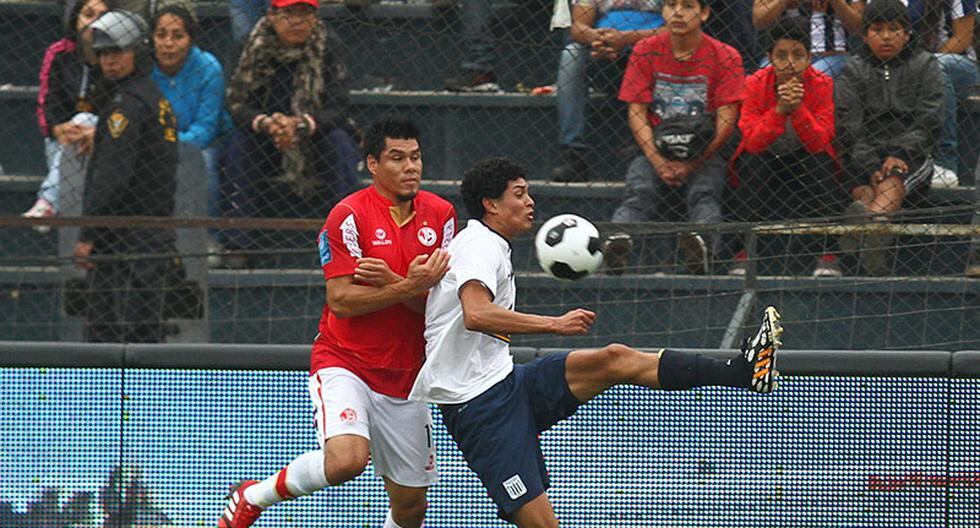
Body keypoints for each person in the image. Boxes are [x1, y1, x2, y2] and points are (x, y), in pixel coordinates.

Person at [409, 157, 782, 527]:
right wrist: (554, 324)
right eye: (519, 194)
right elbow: (477, 314)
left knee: (614, 359)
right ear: (491, 204)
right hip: (478, 406)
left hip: (507, 381)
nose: (530, 202)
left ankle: (743, 371)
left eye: (528, 193)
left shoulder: (491, 243)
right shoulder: (478, 245)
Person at [217, 118, 457, 528]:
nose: (410, 167)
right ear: (372, 165)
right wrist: (409, 286)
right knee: (347, 461)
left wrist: (398, 284)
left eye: (415, 157)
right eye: (397, 158)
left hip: (407, 376)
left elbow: (438, 307)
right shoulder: (347, 216)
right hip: (347, 362)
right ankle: (253, 495)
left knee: (411, 509)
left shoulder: (442, 215)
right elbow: (342, 301)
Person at [605, 0, 745, 274]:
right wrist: (657, 160)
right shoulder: (645, 50)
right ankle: (618, 241)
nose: (678, 12)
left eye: (688, 6)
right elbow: (637, 112)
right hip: (656, 145)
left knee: (704, 193)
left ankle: (703, 248)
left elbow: (727, 120)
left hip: (704, 149)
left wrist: (694, 162)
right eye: (671, 5)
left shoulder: (726, 55)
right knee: (639, 189)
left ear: (704, 13)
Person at [72, 10, 179, 342]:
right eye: (103, 53)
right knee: (144, 329)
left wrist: (88, 232)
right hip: (149, 230)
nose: (110, 61)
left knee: (113, 332)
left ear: (138, 52)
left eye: (118, 51)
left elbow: (112, 178)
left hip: (124, 237)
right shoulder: (150, 96)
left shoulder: (126, 106)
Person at [222, 0, 360, 259]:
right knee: (238, 145)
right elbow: (236, 104)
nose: (297, 21)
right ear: (272, 15)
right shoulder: (250, 46)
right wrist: (268, 123)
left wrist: (301, 124)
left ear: (316, 16)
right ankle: (238, 244)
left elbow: (339, 107)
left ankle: (349, 241)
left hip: (313, 135)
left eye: (305, 13)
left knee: (341, 142)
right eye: (289, 14)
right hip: (265, 136)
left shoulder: (329, 44)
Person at [729, 15, 846, 277]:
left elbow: (820, 141)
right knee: (751, 163)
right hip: (767, 155)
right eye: (781, 55)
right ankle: (744, 251)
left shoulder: (823, 84)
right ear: (770, 57)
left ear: (809, 58)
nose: (790, 63)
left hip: (805, 155)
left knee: (822, 166)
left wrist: (799, 109)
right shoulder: (754, 84)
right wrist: (781, 110)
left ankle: (827, 253)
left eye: (798, 55)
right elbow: (752, 141)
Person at [834, 0, 944, 275]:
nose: (886, 36)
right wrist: (871, 163)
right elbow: (849, 124)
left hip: (910, 155)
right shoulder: (853, 69)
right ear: (864, 34)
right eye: (878, 29)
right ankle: (873, 242)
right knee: (865, 185)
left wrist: (899, 153)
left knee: (892, 178)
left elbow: (929, 119)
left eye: (894, 29)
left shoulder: (924, 64)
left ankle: (865, 237)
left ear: (907, 33)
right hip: (863, 154)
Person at [552, 0, 665, 182]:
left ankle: (652, 145)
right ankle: (574, 154)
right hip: (602, 50)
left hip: (652, 49)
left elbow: (675, 28)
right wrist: (599, 38)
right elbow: (578, 27)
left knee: (663, 48)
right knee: (570, 55)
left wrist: (625, 38)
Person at [24, 0, 114, 221]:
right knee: (77, 128)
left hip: (103, 138)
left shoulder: (115, 56)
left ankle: (48, 201)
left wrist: (97, 131)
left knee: (86, 118)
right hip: (63, 137)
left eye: (102, 15)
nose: (95, 22)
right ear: (75, 20)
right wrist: (57, 129)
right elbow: (47, 101)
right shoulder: (58, 53)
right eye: (89, 14)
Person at [150, 3, 230, 245]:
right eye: (161, 35)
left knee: (202, 163)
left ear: (191, 40)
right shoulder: (142, 67)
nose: (168, 43)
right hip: (152, 143)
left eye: (178, 36)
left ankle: (207, 238)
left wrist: (167, 144)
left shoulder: (208, 68)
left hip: (201, 143)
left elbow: (206, 128)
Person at [752, 0, 867, 78]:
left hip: (831, 55)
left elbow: (860, 28)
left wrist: (836, 2)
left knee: (811, 78)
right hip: (785, 52)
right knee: (763, 77)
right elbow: (759, 20)